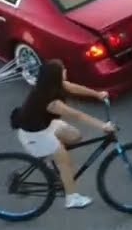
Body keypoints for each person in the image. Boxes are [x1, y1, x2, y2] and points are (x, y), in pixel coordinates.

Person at [9, 60, 112, 210]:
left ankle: (51, 156)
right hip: (34, 136)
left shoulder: (50, 85)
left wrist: (97, 94)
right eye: (63, 69)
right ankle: (72, 198)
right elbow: (78, 116)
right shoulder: (51, 102)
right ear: (55, 77)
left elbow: (73, 88)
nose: (65, 69)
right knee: (65, 163)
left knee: (75, 136)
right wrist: (103, 125)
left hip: (44, 125)